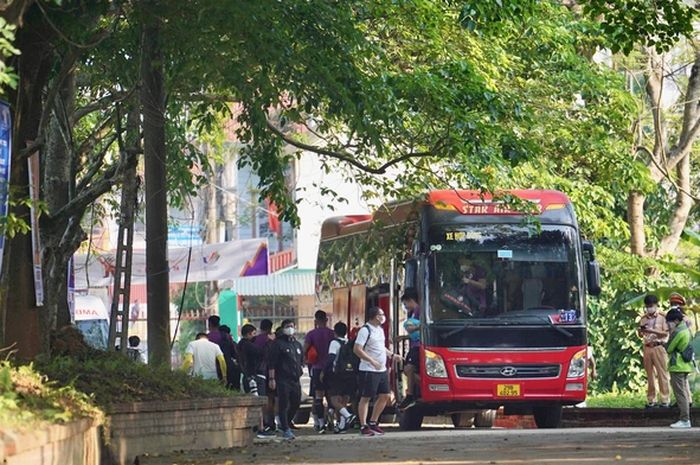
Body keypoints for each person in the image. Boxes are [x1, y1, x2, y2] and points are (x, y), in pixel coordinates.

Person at [354, 306, 397, 437]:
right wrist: (371, 361)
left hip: (382, 369)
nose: (383, 317)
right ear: (374, 316)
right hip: (369, 369)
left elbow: (380, 347)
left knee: (385, 395)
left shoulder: (380, 330)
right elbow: (357, 349)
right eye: (381, 314)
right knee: (366, 397)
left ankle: (373, 422)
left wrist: (391, 355)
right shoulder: (365, 330)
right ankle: (363, 425)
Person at [268, 319, 304, 440]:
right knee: (283, 404)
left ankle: (286, 423)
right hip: (282, 379)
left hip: (295, 379)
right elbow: (272, 363)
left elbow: (301, 360)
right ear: (283, 329)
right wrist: (272, 378)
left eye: (292, 326)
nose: (290, 328)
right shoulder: (278, 344)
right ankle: (285, 429)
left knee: (296, 402)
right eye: (288, 326)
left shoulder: (297, 344)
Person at [323, 321, 358, 433]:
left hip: (337, 375)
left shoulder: (334, 343)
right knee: (343, 400)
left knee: (334, 400)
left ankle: (348, 416)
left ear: (335, 332)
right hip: (350, 374)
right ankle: (342, 426)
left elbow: (331, 358)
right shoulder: (349, 342)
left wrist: (324, 371)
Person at [304, 310, 335, 433]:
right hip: (331, 369)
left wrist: (306, 360)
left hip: (317, 368)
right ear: (326, 320)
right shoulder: (332, 334)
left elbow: (305, 348)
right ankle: (331, 416)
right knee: (331, 396)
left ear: (315, 321)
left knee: (318, 397)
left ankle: (321, 424)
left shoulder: (311, 334)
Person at [638, 294, 670, 408]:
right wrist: (641, 331)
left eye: (651, 306)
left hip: (658, 347)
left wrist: (653, 331)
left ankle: (665, 399)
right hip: (647, 347)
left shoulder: (662, 317)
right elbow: (641, 334)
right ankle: (651, 400)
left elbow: (666, 333)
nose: (649, 308)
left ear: (656, 305)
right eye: (647, 306)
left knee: (662, 374)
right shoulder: (643, 318)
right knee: (650, 375)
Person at [665, 308, 693, 428]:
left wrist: (668, 336)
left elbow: (669, 348)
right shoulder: (686, 329)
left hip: (678, 366)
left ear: (676, 320)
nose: (668, 324)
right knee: (684, 393)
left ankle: (685, 419)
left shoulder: (678, 331)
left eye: (669, 321)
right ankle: (684, 418)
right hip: (685, 365)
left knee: (680, 394)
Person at [252, 319, 276, 436]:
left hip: (258, 372)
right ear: (270, 328)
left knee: (261, 398)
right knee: (270, 398)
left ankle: (264, 423)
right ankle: (270, 422)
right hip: (269, 372)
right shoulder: (271, 340)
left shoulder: (255, 339)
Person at [398, 288, 420, 411]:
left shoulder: (420, 311)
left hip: (417, 346)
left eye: (405, 303)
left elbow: (423, 326)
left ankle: (411, 394)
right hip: (414, 345)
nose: (405, 306)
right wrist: (404, 337)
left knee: (409, 368)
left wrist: (412, 327)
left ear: (411, 300)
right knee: (408, 369)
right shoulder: (414, 312)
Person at [219, 325, 241, 390]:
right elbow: (236, 356)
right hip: (234, 369)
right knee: (235, 389)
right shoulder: (233, 343)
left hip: (222, 369)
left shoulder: (218, 344)